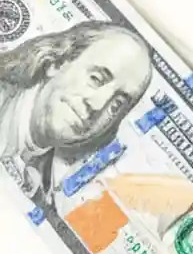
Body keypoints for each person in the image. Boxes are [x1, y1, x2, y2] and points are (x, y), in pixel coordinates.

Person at [0, 21, 152, 202]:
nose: (98, 105)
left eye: (116, 104)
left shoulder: (44, 192)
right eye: (96, 79)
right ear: (57, 62)